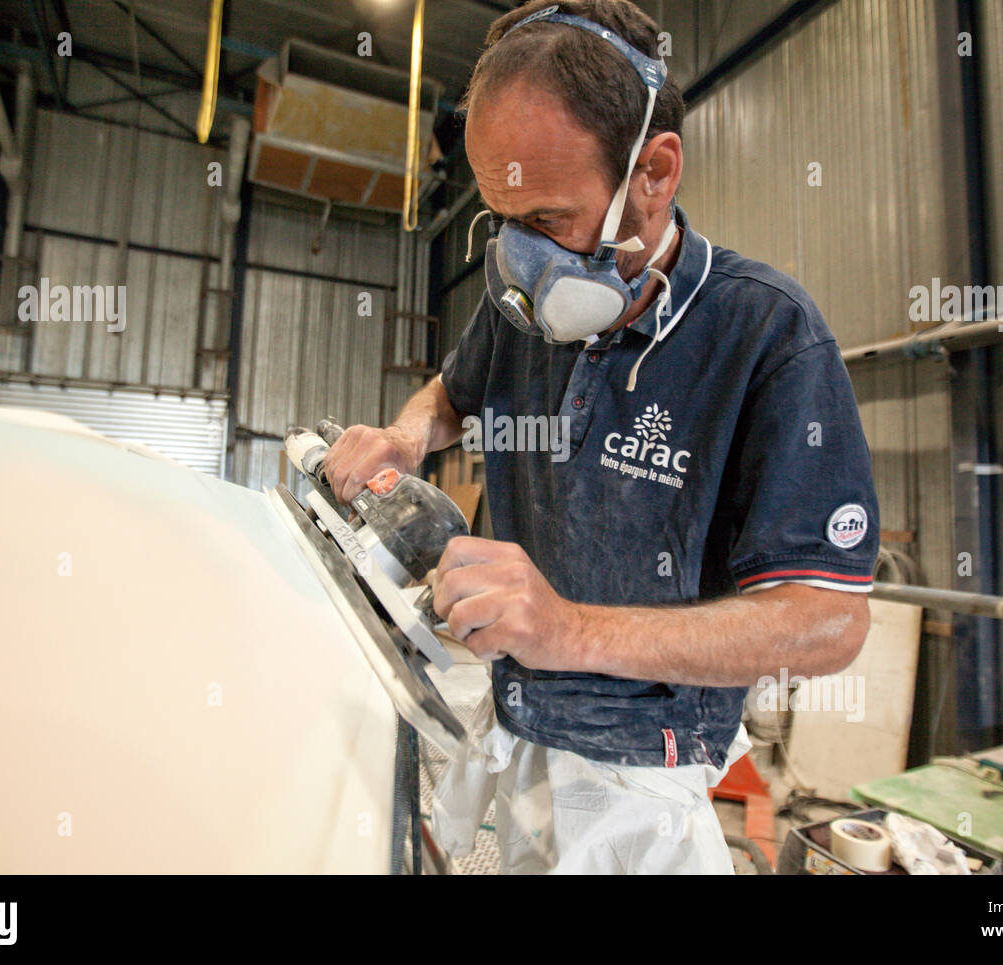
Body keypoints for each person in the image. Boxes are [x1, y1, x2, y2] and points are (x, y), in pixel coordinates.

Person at [324, 0, 879, 874]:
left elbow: (831, 621)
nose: (521, 259)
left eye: (547, 219)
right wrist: (403, 434)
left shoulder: (766, 336)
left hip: (640, 781)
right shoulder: (522, 311)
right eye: (501, 219)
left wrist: (570, 629)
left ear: (654, 172)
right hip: (506, 716)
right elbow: (453, 393)